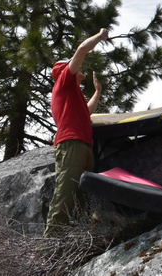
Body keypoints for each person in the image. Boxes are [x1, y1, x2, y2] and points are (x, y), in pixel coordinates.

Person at [43, 28, 108, 237]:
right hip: (71, 144)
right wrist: (99, 36)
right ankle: (50, 239)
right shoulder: (64, 80)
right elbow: (81, 50)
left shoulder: (73, 94)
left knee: (82, 192)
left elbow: (86, 112)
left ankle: (76, 234)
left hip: (82, 145)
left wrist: (97, 92)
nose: (80, 67)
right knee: (66, 191)